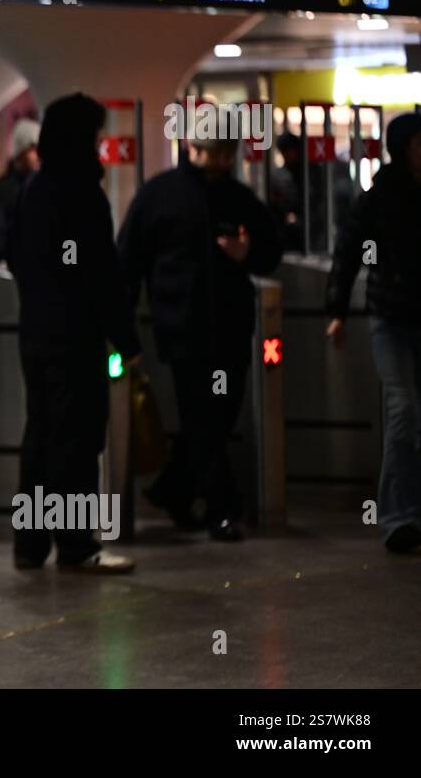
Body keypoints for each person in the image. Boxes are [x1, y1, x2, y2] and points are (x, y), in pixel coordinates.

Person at [118, 133, 282, 541]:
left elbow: (272, 247)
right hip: (183, 330)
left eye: (226, 153)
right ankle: (222, 509)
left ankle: (172, 490)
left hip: (227, 327)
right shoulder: (160, 195)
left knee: (217, 417)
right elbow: (129, 261)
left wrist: (249, 255)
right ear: (192, 146)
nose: (220, 161)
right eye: (214, 152)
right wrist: (122, 328)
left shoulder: (237, 198)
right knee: (204, 418)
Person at [6, 94, 139, 573]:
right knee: (78, 442)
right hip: (75, 338)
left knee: (40, 436)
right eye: (96, 135)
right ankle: (78, 546)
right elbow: (103, 275)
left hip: (35, 333)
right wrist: (127, 340)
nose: (101, 145)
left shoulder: (33, 189)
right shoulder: (82, 192)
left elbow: (14, 258)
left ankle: (29, 546)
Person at [326, 112, 421, 554]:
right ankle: (397, 516)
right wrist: (337, 311)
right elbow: (349, 253)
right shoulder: (380, 197)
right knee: (402, 407)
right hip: (392, 317)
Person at [0, 116, 40, 264]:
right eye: (33, 149)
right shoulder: (0, 192)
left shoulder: (42, 188)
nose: (38, 156)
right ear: (20, 152)